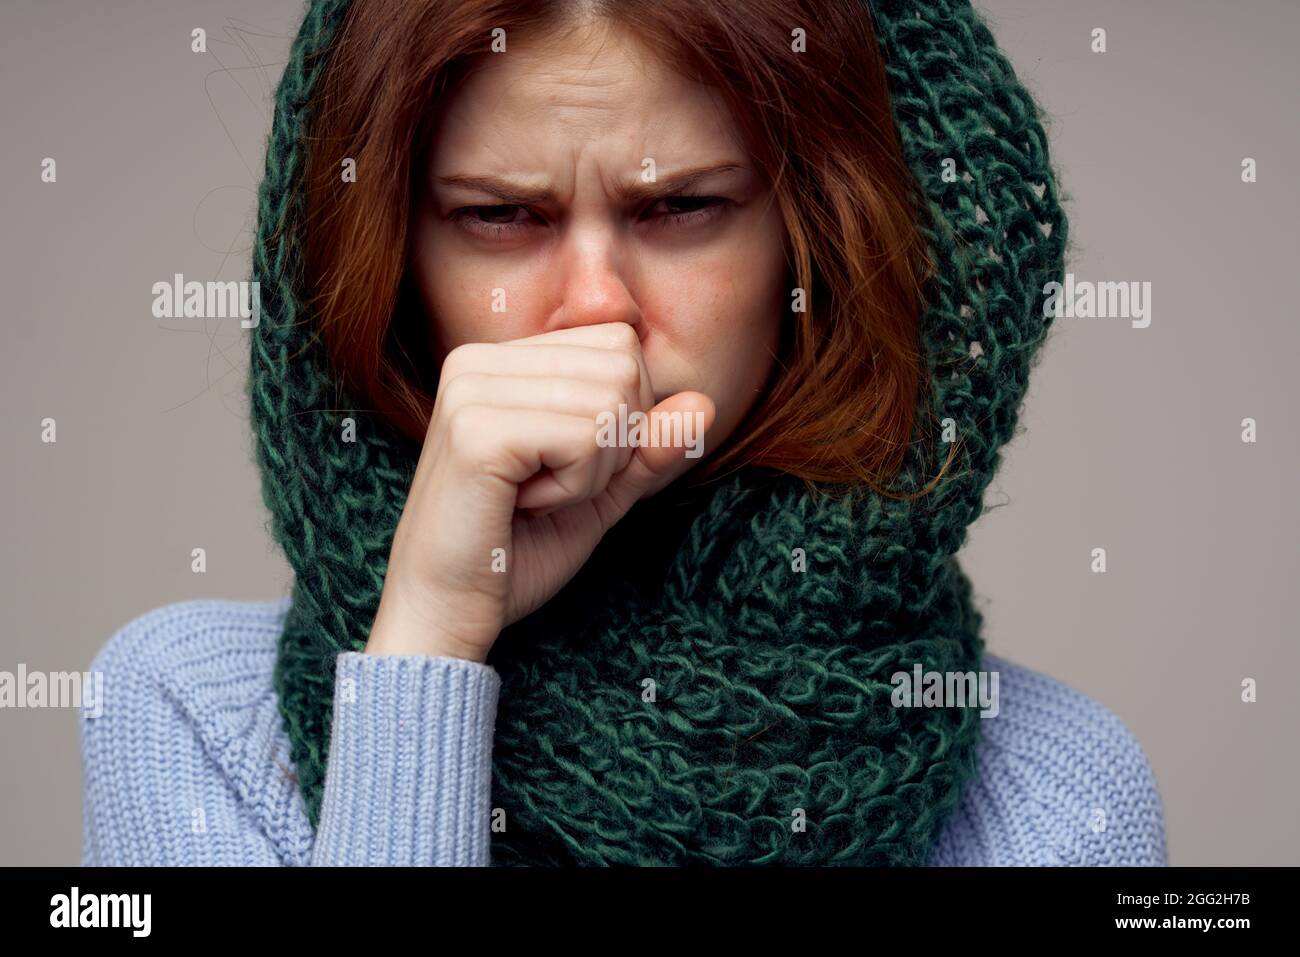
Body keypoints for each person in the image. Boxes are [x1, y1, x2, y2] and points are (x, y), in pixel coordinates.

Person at [80, 0, 1167, 866]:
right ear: (391, 263)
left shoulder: (1056, 798)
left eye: (681, 207)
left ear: (815, 245)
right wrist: (423, 644)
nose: (596, 307)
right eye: (501, 216)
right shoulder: (189, 718)